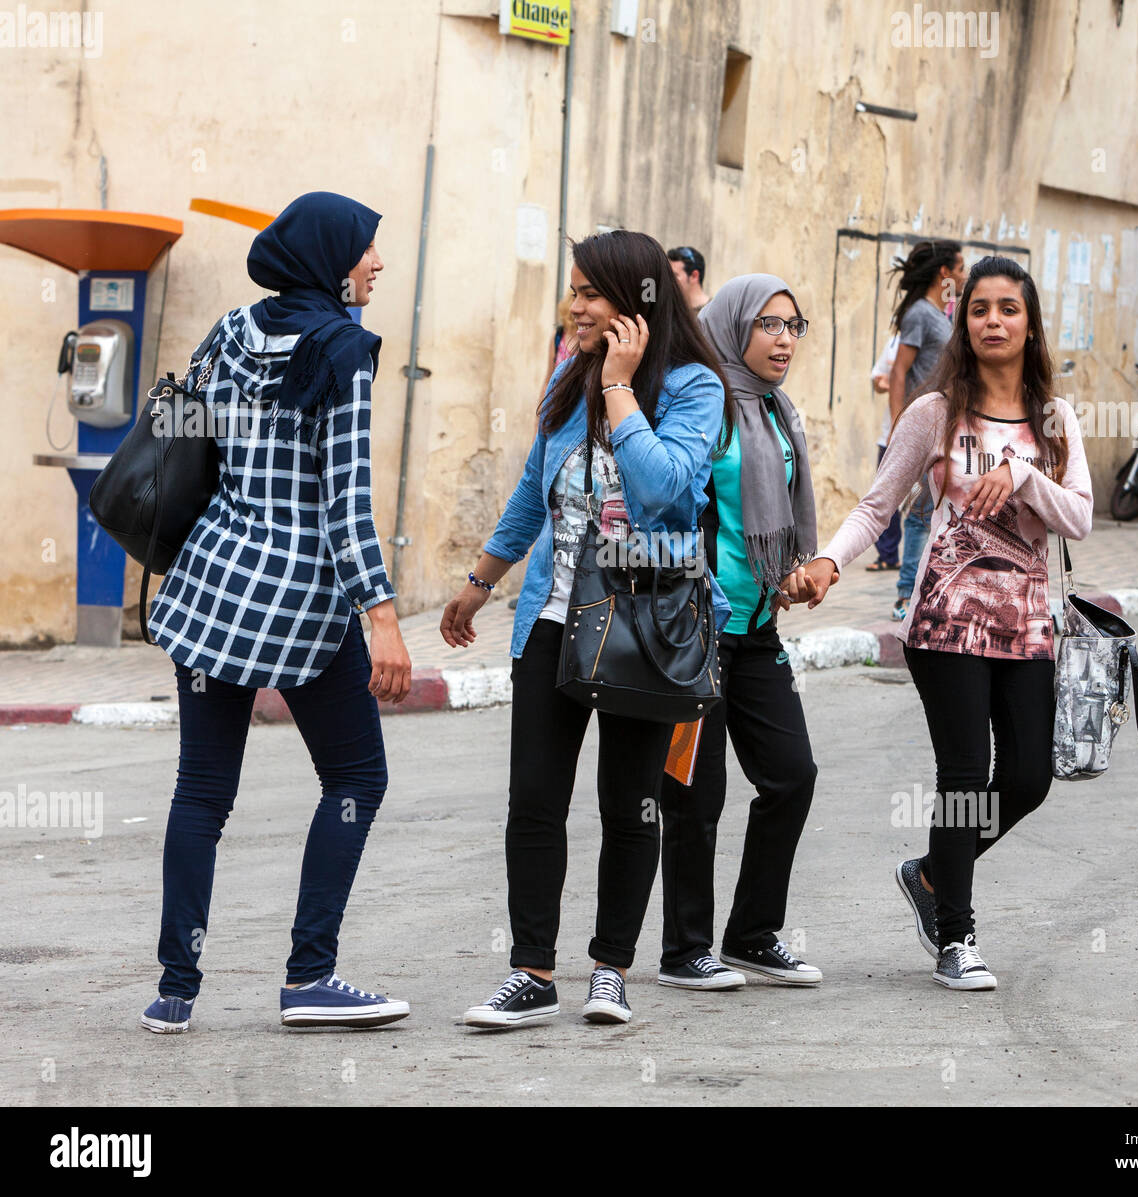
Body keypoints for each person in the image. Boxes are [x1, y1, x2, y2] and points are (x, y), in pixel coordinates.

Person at [443, 230, 733, 1029]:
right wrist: (479, 583)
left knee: (629, 802)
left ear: (635, 303)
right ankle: (532, 970)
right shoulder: (565, 383)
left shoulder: (694, 388)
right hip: (551, 618)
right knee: (534, 799)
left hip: (647, 623)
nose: (574, 306)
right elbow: (533, 496)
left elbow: (665, 490)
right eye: (572, 291)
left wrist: (621, 389)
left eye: (589, 293)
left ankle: (611, 968)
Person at [141, 192, 412, 1034]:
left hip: (209, 584)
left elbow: (189, 439)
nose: (376, 263)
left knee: (201, 792)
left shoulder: (229, 331)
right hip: (298, 597)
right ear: (331, 257)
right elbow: (345, 503)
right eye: (367, 249)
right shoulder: (344, 350)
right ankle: (309, 977)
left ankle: (174, 992)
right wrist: (384, 615)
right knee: (358, 778)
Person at [804, 255, 1093, 991]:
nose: (993, 321)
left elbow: (1081, 518)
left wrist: (1025, 475)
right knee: (964, 773)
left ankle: (932, 872)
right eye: (979, 310)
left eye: (1009, 309)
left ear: (1030, 325)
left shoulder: (1055, 422)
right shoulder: (934, 413)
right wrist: (831, 562)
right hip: (945, 623)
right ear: (963, 325)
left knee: (1028, 775)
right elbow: (878, 505)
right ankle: (956, 934)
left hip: (1026, 625)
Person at [657, 274, 825, 993]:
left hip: (757, 630)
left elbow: (783, 515)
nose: (784, 339)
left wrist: (794, 569)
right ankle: (684, 949)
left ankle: (753, 934)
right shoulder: (705, 404)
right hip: (697, 633)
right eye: (769, 325)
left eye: (793, 326)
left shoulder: (779, 410)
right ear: (732, 328)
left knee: (792, 775)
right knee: (695, 791)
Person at [888, 240, 965, 620]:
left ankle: (924, 589)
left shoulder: (943, 314)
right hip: (921, 427)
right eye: (961, 267)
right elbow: (899, 371)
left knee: (934, 512)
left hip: (945, 426)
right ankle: (905, 597)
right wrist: (899, 425)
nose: (966, 274)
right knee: (918, 514)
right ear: (944, 273)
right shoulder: (920, 313)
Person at [867, 332, 902, 570]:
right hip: (889, 434)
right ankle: (888, 555)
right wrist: (885, 383)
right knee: (885, 497)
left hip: (923, 433)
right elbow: (877, 379)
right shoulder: (893, 341)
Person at [668, 245, 712, 313]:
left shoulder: (715, 311)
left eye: (674, 275)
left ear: (694, 276)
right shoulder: (670, 312)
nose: (669, 279)